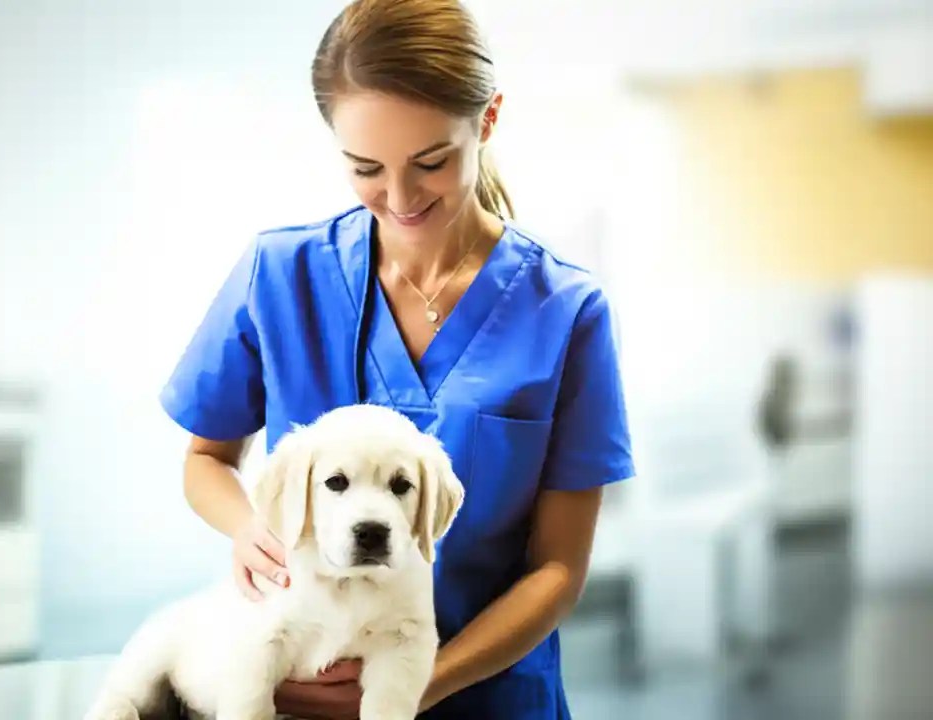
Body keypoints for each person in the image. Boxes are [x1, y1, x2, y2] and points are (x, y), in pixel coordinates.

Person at [158, 1, 635, 717]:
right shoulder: (280, 274)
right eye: (366, 168)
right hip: (298, 691)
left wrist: (409, 686)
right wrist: (251, 528)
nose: (401, 197)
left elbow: (558, 568)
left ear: (488, 120)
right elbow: (206, 462)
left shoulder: (564, 310)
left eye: (431, 162)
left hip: (490, 698)